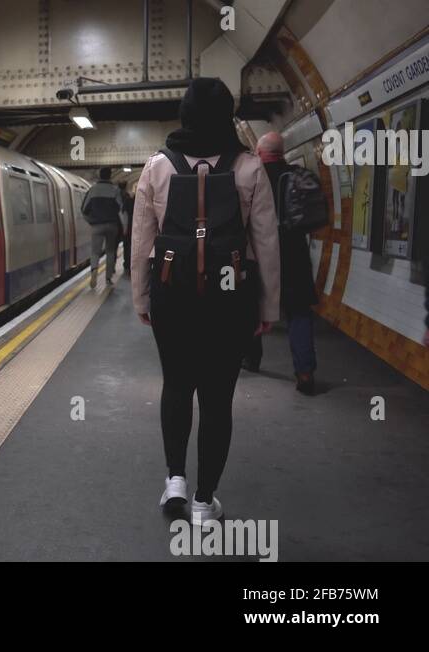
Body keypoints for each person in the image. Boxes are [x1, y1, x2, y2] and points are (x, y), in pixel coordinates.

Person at [130, 78, 280, 524]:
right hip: (230, 296)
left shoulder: (157, 166)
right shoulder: (250, 167)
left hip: (171, 293)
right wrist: (267, 308)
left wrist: (141, 296)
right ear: (226, 115)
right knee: (217, 399)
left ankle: (173, 480)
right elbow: (266, 244)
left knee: (176, 385)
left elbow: (141, 240)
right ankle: (203, 501)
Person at [243, 132, 319, 394]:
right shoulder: (296, 175)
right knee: (299, 312)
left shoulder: (251, 176)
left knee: (251, 306)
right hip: (294, 253)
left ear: (260, 151)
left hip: (259, 252)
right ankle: (305, 372)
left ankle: (252, 359)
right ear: (282, 152)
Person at [81, 167, 124, 288]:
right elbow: (121, 210)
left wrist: (91, 221)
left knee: (95, 252)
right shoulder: (115, 190)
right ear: (110, 176)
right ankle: (108, 278)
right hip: (112, 225)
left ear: (99, 175)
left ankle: (94, 269)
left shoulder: (92, 190)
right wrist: (124, 227)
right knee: (110, 251)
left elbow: (84, 210)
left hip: (97, 226)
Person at [118, 182, 134, 275]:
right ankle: (130, 264)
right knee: (132, 247)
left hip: (127, 227)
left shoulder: (127, 202)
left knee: (126, 246)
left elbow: (124, 214)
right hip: (134, 228)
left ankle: (126, 264)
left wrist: (124, 228)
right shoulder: (131, 199)